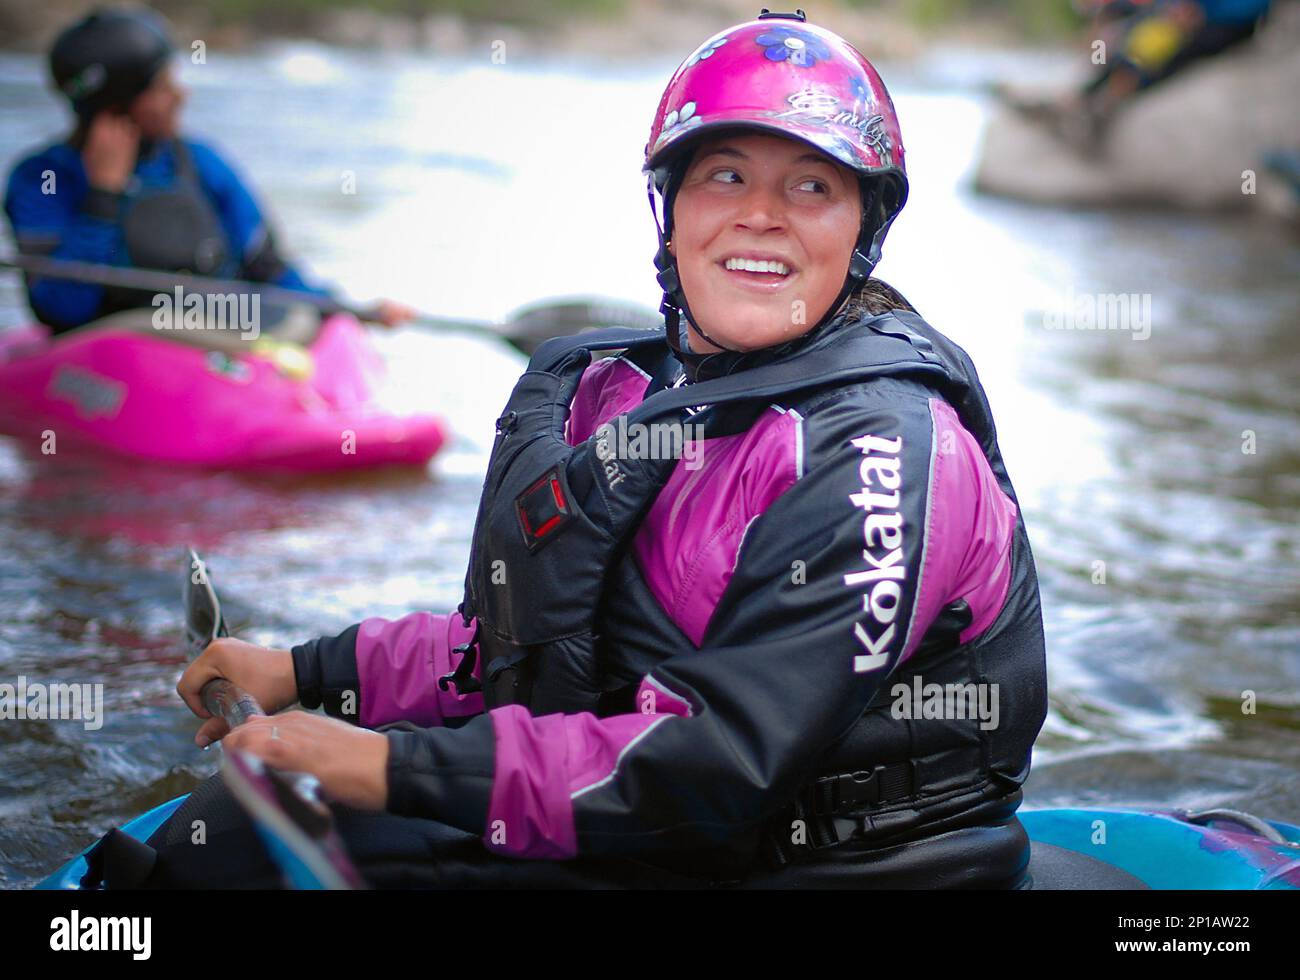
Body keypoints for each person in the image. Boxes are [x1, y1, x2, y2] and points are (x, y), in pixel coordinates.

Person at [108, 10, 1048, 889]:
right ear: (669, 211)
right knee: (208, 834)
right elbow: (532, 655)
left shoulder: (884, 450)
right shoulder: (630, 394)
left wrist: (389, 763)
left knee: (222, 860)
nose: (762, 214)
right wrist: (310, 674)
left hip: (830, 867)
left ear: (863, 229)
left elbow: (719, 763)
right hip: (665, 831)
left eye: (812, 186)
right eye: (724, 174)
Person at [3, 6, 411, 334]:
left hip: (211, 338)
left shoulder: (200, 162)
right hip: (114, 354)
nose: (182, 95)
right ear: (116, 106)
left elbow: (267, 268)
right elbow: (63, 310)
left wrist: (348, 310)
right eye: (162, 87)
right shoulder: (40, 180)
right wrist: (104, 196)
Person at [1052, 0, 1273, 152]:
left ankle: (1104, 107)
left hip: (1224, 28)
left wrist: (1203, 14)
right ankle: (1082, 100)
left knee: (1159, 57)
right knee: (1136, 40)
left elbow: (1248, 9)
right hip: (1194, 21)